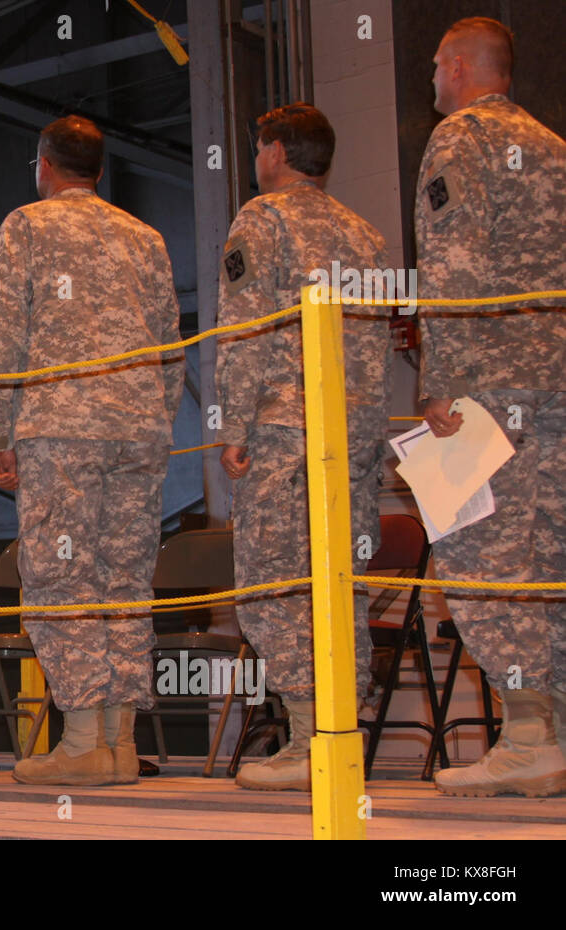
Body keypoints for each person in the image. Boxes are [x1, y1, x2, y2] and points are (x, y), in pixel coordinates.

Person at [0, 115, 183, 786]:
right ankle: (117, 743)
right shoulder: (145, 237)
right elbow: (170, 343)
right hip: (138, 428)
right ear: (98, 169)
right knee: (125, 578)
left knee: (63, 578)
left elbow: (2, 333)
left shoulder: (27, 226)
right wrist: (155, 415)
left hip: (61, 427)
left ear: (44, 164)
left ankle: (85, 740)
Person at [215, 103, 391, 790]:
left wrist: (233, 428)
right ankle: (338, 733)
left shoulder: (263, 219)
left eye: (259, 147)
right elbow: (375, 346)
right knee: (338, 584)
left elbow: (242, 331)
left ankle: (311, 734)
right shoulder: (365, 234)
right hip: (355, 437)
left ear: (277, 152)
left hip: (284, 435)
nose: (256, 159)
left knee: (274, 586)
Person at [414, 17, 566, 797]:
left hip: (494, 387)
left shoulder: (460, 139)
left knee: (483, 557)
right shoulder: (551, 146)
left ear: (465, 67)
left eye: (438, 65)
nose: (431, 79)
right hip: (557, 385)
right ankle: (556, 737)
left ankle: (530, 734)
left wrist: (442, 378)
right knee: (552, 563)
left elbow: (454, 263)